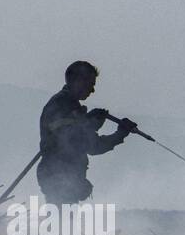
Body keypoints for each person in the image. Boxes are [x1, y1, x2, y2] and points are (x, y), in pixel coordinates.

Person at [37, 61, 136, 203]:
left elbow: (84, 139)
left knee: (63, 221)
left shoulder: (70, 106)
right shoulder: (61, 104)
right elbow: (82, 143)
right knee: (61, 221)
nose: (92, 90)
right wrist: (93, 125)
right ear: (78, 81)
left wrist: (116, 132)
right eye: (91, 83)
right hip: (58, 175)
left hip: (64, 176)